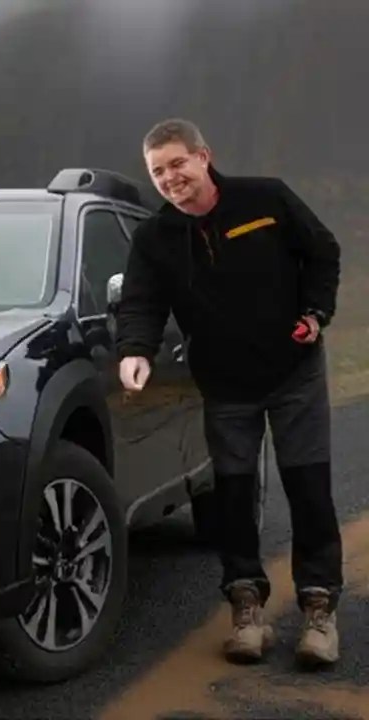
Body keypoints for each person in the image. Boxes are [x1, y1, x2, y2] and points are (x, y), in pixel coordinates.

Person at [114, 118, 343, 667]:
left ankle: (319, 610)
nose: (170, 178)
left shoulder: (266, 200)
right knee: (232, 500)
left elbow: (323, 252)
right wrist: (135, 351)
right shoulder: (155, 238)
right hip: (223, 385)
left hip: (294, 374)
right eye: (158, 171)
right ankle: (247, 608)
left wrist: (316, 313)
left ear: (203, 157)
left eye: (177, 163)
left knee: (308, 489)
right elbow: (142, 303)